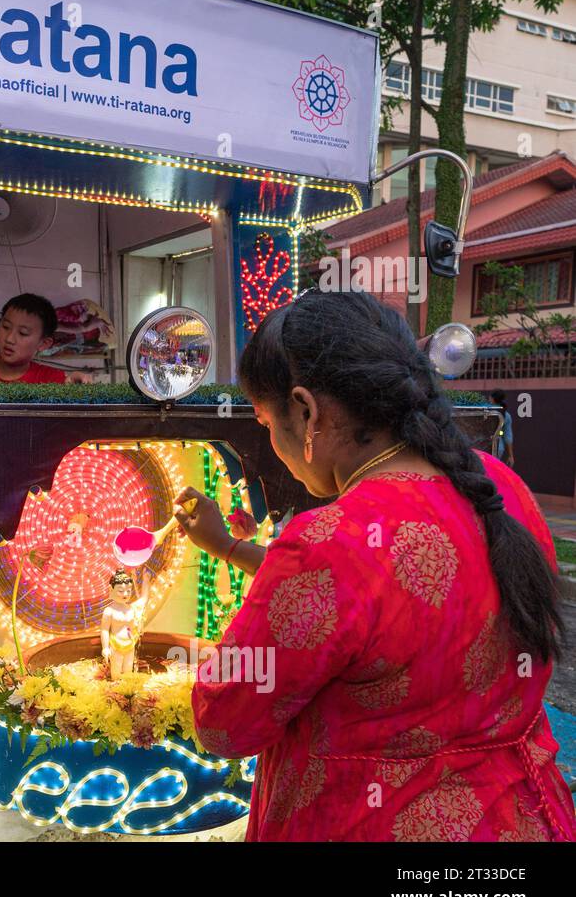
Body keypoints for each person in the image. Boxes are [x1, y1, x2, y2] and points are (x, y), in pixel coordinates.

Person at [175, 287, 575, 841]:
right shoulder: (498, 484)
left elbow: (223, 725)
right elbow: (372, 605)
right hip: (516, 819)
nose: (272, 441)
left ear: (306, 410)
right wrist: (229, 549)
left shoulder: (328, 540)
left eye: (266, 422)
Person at [100, 567, 153, 680]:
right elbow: (104, 630)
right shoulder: (109, 611)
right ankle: (116, 692)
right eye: (120, 591)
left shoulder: (131, 608)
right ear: (111, 590)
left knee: (128, 671)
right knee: (117, 671)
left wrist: (146, 580)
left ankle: (127, 692)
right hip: (116, 645)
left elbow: (144, 599)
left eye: (128, 591)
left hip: (130, 644)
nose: (125, 594)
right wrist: (105, 648)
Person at [491, 389, 514, 466]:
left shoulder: (485, 412)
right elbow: (508, 437)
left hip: (484, 449)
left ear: (491, 398)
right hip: (498, 449)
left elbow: (508, 436)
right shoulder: (507, 415)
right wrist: (510, 456)